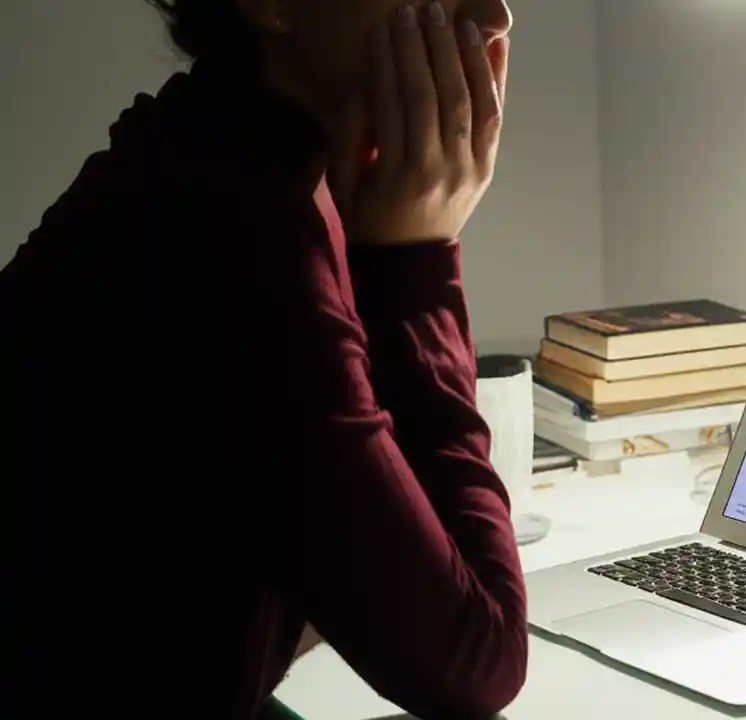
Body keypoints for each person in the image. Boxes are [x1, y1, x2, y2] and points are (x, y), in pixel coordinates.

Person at [0, 0, 526, 717]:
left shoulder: (197, 152)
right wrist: (414, 266)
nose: (494, 14)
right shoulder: (235, 229)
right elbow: (477, 662)